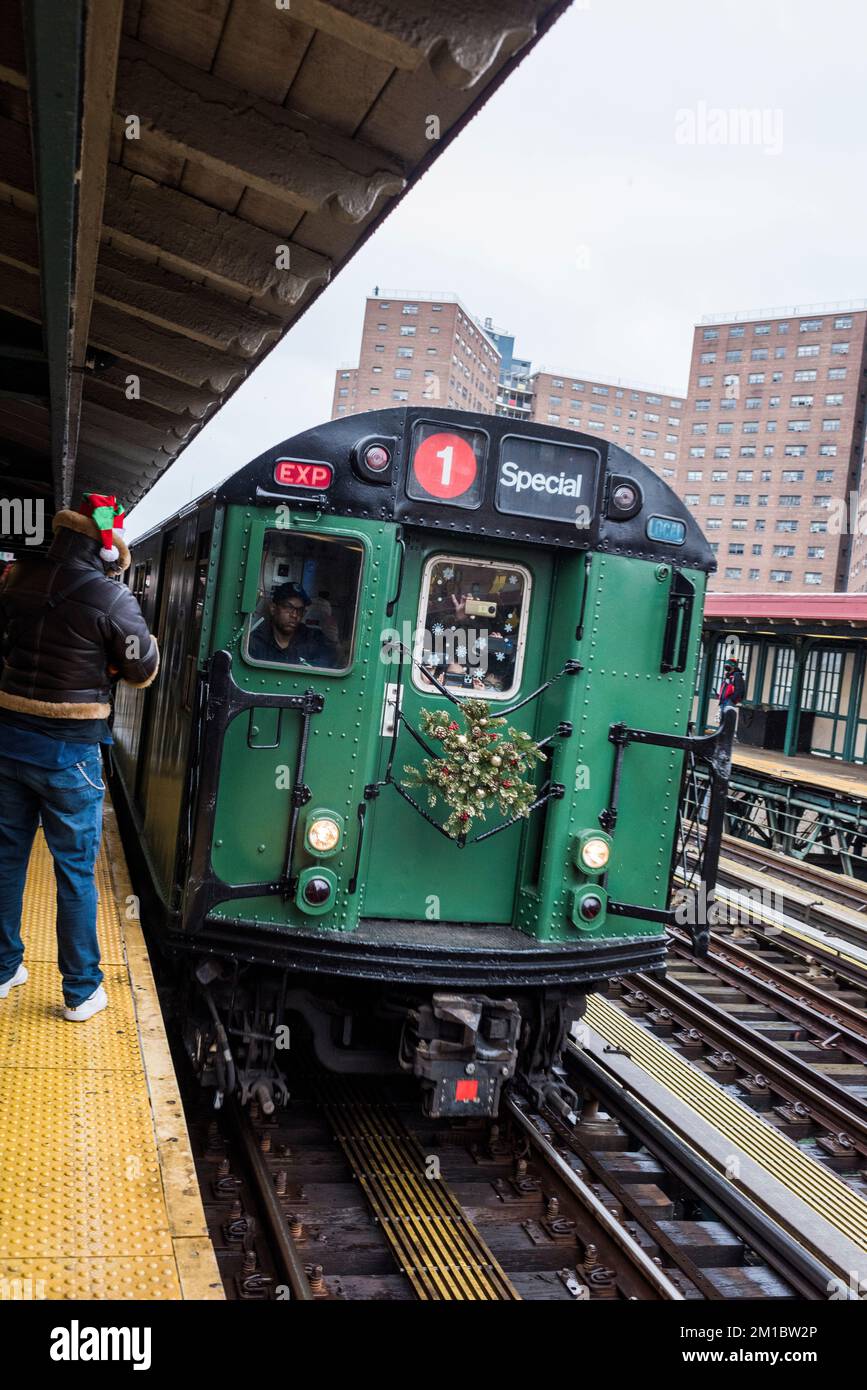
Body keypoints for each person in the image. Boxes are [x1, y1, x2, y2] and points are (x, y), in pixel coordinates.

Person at [0, 493, 159, 1019]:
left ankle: (3, 970)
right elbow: (141, 668)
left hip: (9, 740)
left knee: (5, 860)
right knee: (73, 874)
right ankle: (80, 990)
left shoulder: (16, 577)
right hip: (70, 754)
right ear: (107, 551)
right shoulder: (113, 600)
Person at [248, 581, 339, 667]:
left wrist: (335, 641)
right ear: (273, 609)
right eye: (288, 607)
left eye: (299, 610)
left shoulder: (313, 639)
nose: (294, 615)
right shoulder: (257, 641)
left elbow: (331, 660)